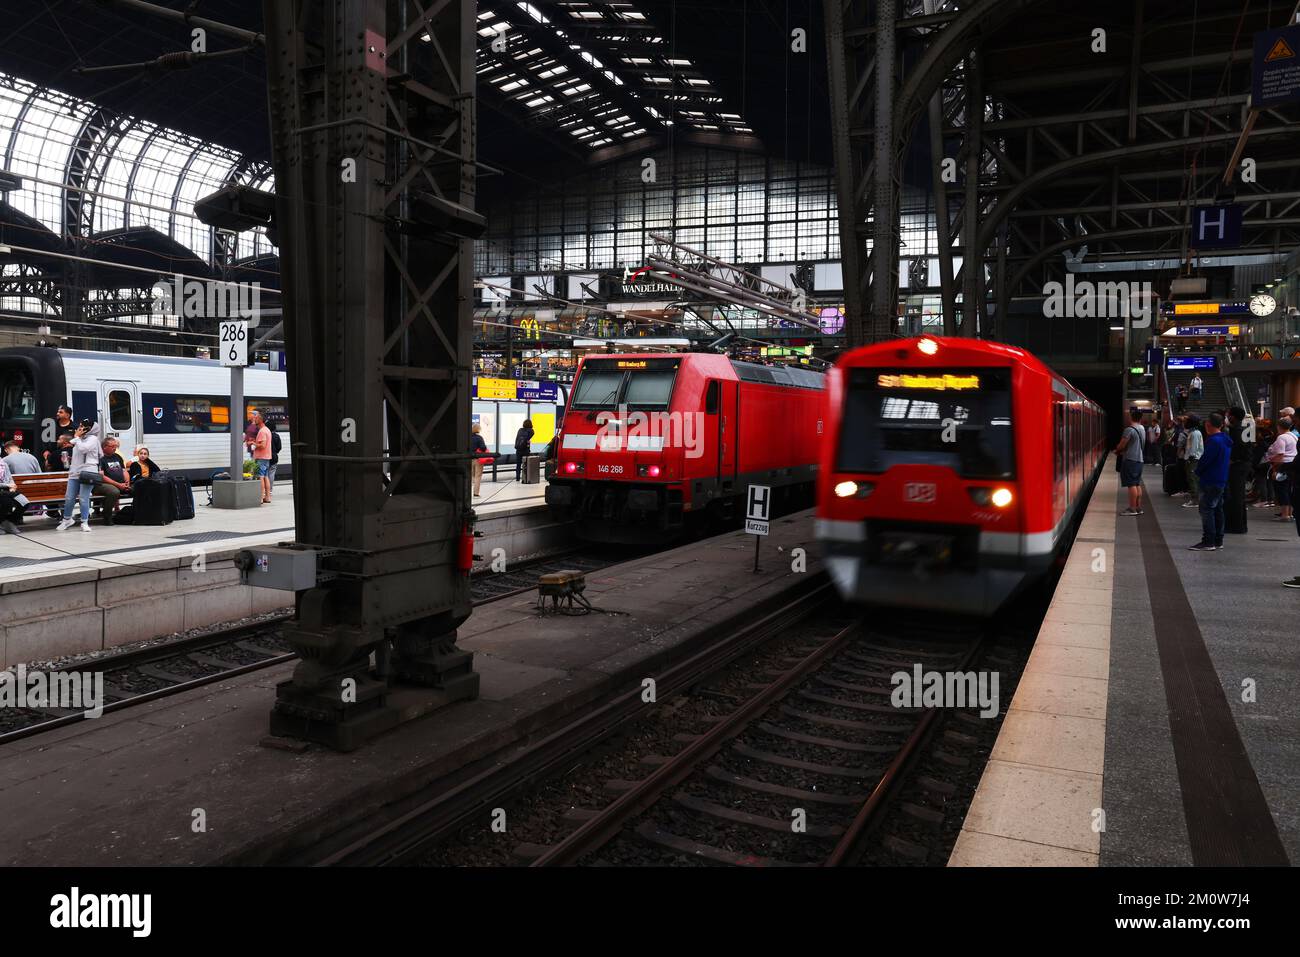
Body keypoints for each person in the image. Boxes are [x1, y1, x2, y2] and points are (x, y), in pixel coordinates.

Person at [1189, 413, 1232, 551]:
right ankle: (1218, 540)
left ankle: (1208, 541)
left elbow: (1206, 460)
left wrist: (1198, 471)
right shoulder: (1226, 439)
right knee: (1218, 509)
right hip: (1221, 478)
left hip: (1210, 479)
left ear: (1208, 425)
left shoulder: (1213, 441)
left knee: (1206, 510)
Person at [57, 419, 101, 532]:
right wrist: (70, 459)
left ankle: (84, 522)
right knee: (69, 497)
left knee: (83, 498)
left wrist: (76, 437)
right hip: (74, 472)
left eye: (82, 427)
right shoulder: (79, 439)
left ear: (89, 429)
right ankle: (67, 519)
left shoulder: (93, 439)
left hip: (88, 471)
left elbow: (84, 449)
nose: (79, 428)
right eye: (79, 426)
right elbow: (78, 453)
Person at [1225, 407, 1252, 535]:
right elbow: (1249, 447)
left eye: (1229, 415)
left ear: (1233, 417)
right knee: (1240, 496)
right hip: (1245, 464)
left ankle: (1235, 526)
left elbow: (1236, 449)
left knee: (1235, 495)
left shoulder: (1235, 430)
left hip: (1237, 465)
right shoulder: (1249, 428)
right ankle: (1241, 524)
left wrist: (1231, 460)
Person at [1266, 416, 1297, 524]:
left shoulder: (1282, 438)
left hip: (1283, 466)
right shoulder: (1293, 436)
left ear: (1278, 426)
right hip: (1292, 465)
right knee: (1289, 490)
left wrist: (1275, 470)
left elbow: (1280, 454)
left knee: (1282, 490)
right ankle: (1289, 513)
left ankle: (1284, 515)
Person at [1115, 407, 1146, 516]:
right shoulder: (1142, 428)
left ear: (1131, 417)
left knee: (1131, 484)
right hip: (1140, 459)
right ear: (1141, 418)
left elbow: (1122, 444)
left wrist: (1117, 449)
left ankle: (1132, 508)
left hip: (1130, 459)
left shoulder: (1129, 429)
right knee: (1137, 483)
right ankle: (1138, 508)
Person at [95, 436, 130, 524]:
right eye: (113, 446)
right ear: (105, 447)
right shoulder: (100, 458)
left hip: (120, 483)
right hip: (102, 484)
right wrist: (118, 485)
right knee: (114, 491)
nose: (115, 448)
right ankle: (107, 515)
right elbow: (102, 477)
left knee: (138, 488)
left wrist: (127, 482)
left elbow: (124, 470)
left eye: (116, 446)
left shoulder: (117, 457)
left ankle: (135, 513)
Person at [246, 409, 274, 504]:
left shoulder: (262, 431)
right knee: (265, 476)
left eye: (256, 417)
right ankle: (268, 497)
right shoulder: (267, 430)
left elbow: (262, 445)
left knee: (260, 477)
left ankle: (261, 498)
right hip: (266, 457)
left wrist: (253, 443)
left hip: (261, 457)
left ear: (261, 420)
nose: (255, 419)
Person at [41, 404, 76, 471]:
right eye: (58, 412)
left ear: (67, 415)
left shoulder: (74, 428)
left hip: (69, 458)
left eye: (61, 412)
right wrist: (45, 451)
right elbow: (45, 441)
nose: (57, 414)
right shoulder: (51, 426)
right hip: (53, 458)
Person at [1182, 415, 1203, 507]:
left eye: (1187, 421)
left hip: (1193, 459)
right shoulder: (1195, 432)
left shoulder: (1194, 433)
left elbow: (1193, 448)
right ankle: (1196, 498)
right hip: (1194, 458)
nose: (1185, 423)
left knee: (1192, 478)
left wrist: (1190, 458)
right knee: (1193, 478)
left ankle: (1195, 500)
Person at [0, 457, 24, 534]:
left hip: (7, 490)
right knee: (7, 503)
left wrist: (13, 485)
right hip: (3, 489)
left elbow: (10, 478)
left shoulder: (3, 464)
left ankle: (9, 521)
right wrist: (7, 485)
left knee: (24, 502)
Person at [470, 423, 489, 497]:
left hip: (469, 458)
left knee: (471, 475)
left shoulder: (468, 437)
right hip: (478, 459)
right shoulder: (479, 438)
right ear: (478, 429)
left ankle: (468, 492)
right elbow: (483, 447)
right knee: (478, 476)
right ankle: (476, 493)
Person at [267, 421, 282, 497]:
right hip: (274, 457)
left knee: (265, 474)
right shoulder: (276, 436)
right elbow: (279, 447)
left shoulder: (266, 435)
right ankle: (270, 490)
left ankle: (265, 490)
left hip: (266, 456)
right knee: (271, 473)